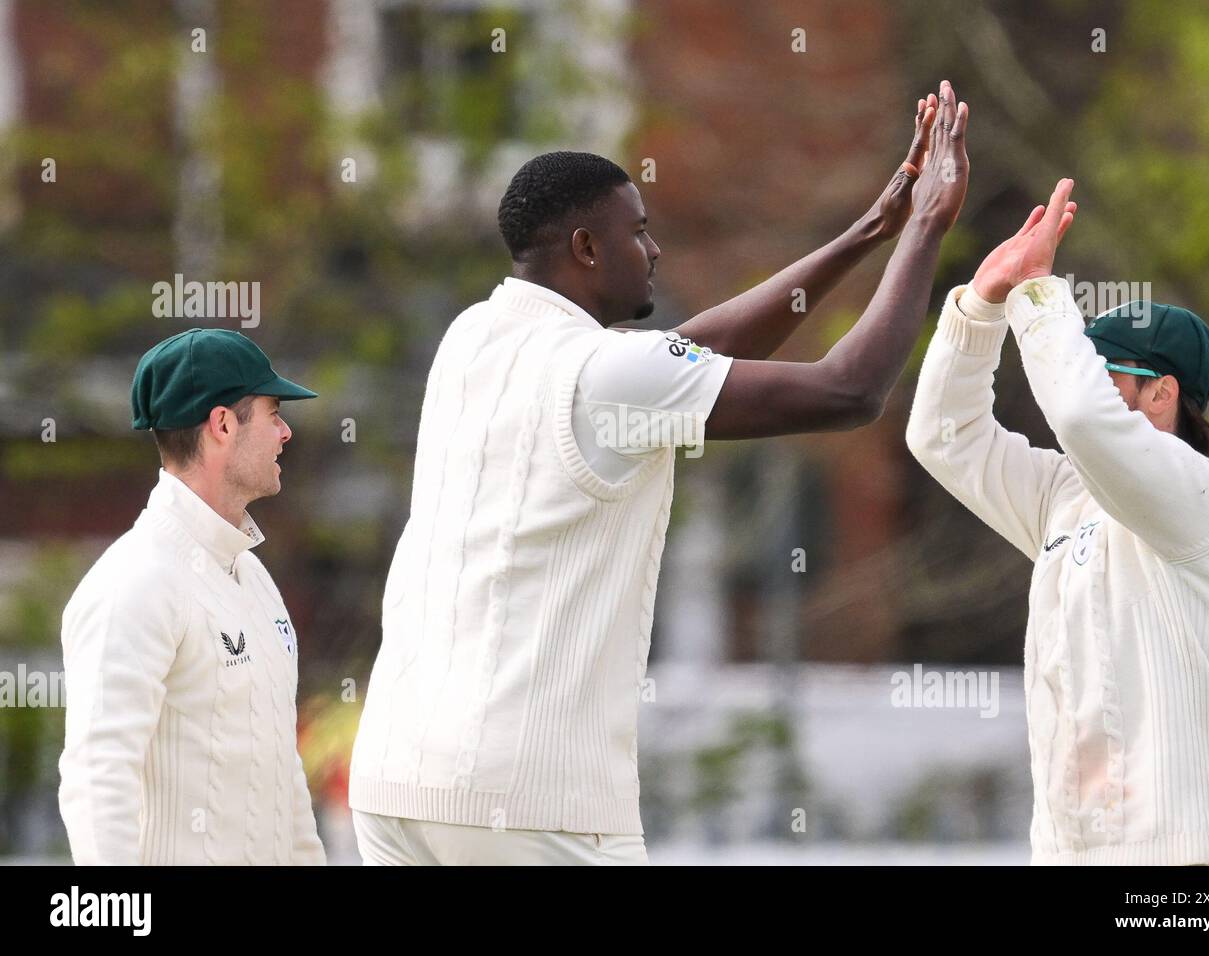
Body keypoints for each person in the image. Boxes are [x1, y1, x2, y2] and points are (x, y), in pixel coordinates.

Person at [349, 83, 972, 865]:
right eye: (638, 233)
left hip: (394, 784)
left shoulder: (470, 338)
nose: (655, 252)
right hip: (529, 799)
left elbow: (684, 356)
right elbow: (851, 389)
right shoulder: (606, 372)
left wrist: (869, 232)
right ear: (585, 248)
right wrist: (925, 230)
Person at [905, 180, 1209, 864]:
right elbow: (942, 437)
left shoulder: (1208, 499)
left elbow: (1077, 417)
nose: (1084, 379)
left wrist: (1039, 292)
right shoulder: (1065, 497)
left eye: (1106, 370)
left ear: (1162, 393)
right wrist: (982, 306)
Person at [57, 328, 327, 865]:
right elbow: (97, 778)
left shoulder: (254, 578)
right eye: (274, 413)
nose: (286, 432)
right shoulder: (134, 583)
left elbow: (282, 775)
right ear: (223, 424)